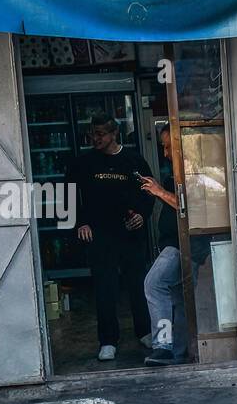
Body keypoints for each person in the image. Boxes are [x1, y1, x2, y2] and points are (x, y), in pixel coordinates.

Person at [66, 114, 154, 362]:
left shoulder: (133, 160)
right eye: (92, 134)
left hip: (130, 233)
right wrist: (80, 223)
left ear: (114, 133)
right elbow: (68, 196)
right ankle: (107, 341)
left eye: (100, 134)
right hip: (99, 235)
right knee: (105, 289)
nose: (95, 139)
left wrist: (142, 215)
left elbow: (150, 191)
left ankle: (144, 331)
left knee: (138, 284)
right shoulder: (83, 163)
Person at [140, 124, 187, 366]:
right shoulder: (174, 174)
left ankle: (163, 346)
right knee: (175, 299)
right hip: (171, 244)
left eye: (169, 147)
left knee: (154, 284)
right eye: (163, 147)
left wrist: (159, 191)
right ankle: (177, 351)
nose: (166, 153)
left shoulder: (192, 173)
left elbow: (187, 207)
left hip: (179, 245)